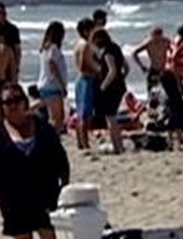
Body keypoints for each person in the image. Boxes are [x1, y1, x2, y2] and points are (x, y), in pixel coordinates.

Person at [0, 83, 70, 239]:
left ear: (25, 102)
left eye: (17, 100)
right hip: (14, 199)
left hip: (45, 194)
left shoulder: (41, 127)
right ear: (1, 107)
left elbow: (60, 157)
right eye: (8, 102)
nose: (14, 105)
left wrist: (64, 183)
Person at [93, 29, 128, 154]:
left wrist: (103, 86)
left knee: (111, 117)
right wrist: (122, 77)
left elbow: (112, 71)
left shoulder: (107, 52)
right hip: (119, 86)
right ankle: (120, 145)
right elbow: (126, 67)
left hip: (111, 88)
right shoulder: (116, 48)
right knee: (113, 116)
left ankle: (116, 146)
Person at [73, 17, 102, 151]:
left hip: (83, 79)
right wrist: (99, 69)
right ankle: (84, 143)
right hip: (86, 79)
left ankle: (81, 141)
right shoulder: (85, 45)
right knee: (85, 114)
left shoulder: (81, 44)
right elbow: (84, 64)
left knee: (82, 113)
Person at [37, 21, 69, 133]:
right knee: (56, 118)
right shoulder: (53, 48)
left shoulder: (45, 48)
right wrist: (62, 85)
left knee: (56, 116)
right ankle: (52, 140)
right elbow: (52, 64)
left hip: (45, 84)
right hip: (52, 85)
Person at [132, 26, 171, 97]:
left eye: (159, 36)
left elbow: (174, 52)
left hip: (164, 70)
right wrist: (141, 66)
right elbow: (134, 53)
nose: (157, 39)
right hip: (154, 70)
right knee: (152, 92)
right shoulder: (149, 43)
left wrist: (171, 63)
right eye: (155, 36)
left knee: (169, 92)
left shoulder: (166, 42)